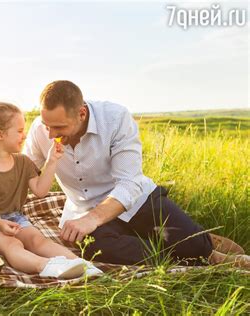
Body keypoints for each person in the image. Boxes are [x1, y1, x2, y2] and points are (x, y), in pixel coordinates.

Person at [23, 80, 248, 267]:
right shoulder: (41, 129)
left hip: (136, 200)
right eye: (46, 126)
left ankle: (203, 246)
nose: (51, 134)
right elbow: (25, 171)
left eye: (59, 128)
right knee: (97, 250)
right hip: (84, 210)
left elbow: (130, 184)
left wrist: (93, 219)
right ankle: (183, 255)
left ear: (81, 113)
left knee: (193, 243)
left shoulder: (115, 118)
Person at [0, 102, 102, 279]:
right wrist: (0, 224)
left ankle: (81, 264)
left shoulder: (23, 162)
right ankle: (46, 266)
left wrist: (53, 160)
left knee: (37, 240)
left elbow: (40, 191)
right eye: (19, 131)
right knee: (12, 245)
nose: (24, 136)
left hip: (16, 218)